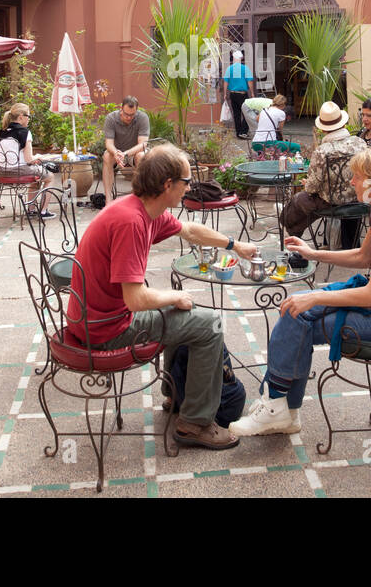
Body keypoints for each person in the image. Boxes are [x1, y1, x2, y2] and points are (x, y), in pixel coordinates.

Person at [229, 148, 371, 436]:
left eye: (358, 177)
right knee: (294, 310)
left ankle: (279, 406)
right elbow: (364, 258)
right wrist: (314, 254)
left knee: (300, 314)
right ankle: (279, 408)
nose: (351, 182)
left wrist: (314, 295)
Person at [70, 144, 259, 450]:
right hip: (106, 330)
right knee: (209, 324)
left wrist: (234, 245)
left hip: (97, 319)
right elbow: (136, 299)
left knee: (188, 315)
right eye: (187, 181)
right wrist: (173, 296)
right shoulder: (131, 222)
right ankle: (194, 423)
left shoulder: (141, 209)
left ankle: (176, 397)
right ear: (168, 185)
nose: (190, 187)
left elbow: (190, 231)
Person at [281, 102, 366, 238]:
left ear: (324, 129)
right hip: (358, 197)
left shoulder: (322, 151)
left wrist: (306, 183)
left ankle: (294, 238)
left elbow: (312, 187)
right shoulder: (359, 143)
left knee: (298, 200)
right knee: (303, 203)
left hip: (333, 202)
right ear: (343, 124)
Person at [0, 102, 59, 218]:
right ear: (21, 116)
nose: (29, 119)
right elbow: (29, 159)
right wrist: (39, 157)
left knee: (35, 176)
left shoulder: (3, 132)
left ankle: (31, 210)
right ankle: (43, 211)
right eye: (28, 116)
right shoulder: (25, 132)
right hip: (18, 171)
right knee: (50, 177)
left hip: (2, 171)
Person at [101, 96, 150, 198]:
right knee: (106, 156)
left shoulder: (143, 118)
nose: (128, 117)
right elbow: (109, 143)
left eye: (132, 115)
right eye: (126, 114)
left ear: (136, 110)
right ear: (121, 108)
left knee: (141, 155)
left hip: (133, 153)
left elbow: (143, 144)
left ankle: (140, 196)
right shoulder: (111, 118)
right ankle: (108, 199)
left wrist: (125, 154)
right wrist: (116, 153)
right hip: (117, 153)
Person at [220, 50, 255, 138]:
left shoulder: (229, 69)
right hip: (242, 94)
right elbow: (250, 81)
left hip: (233, 94)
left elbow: (225, 82)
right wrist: (252, 93)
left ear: (234, 58)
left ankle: (238, 133)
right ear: (241, 58)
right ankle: (243, 132)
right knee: (247, 113)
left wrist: (225, 93)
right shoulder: (245, 68)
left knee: (236, 114)